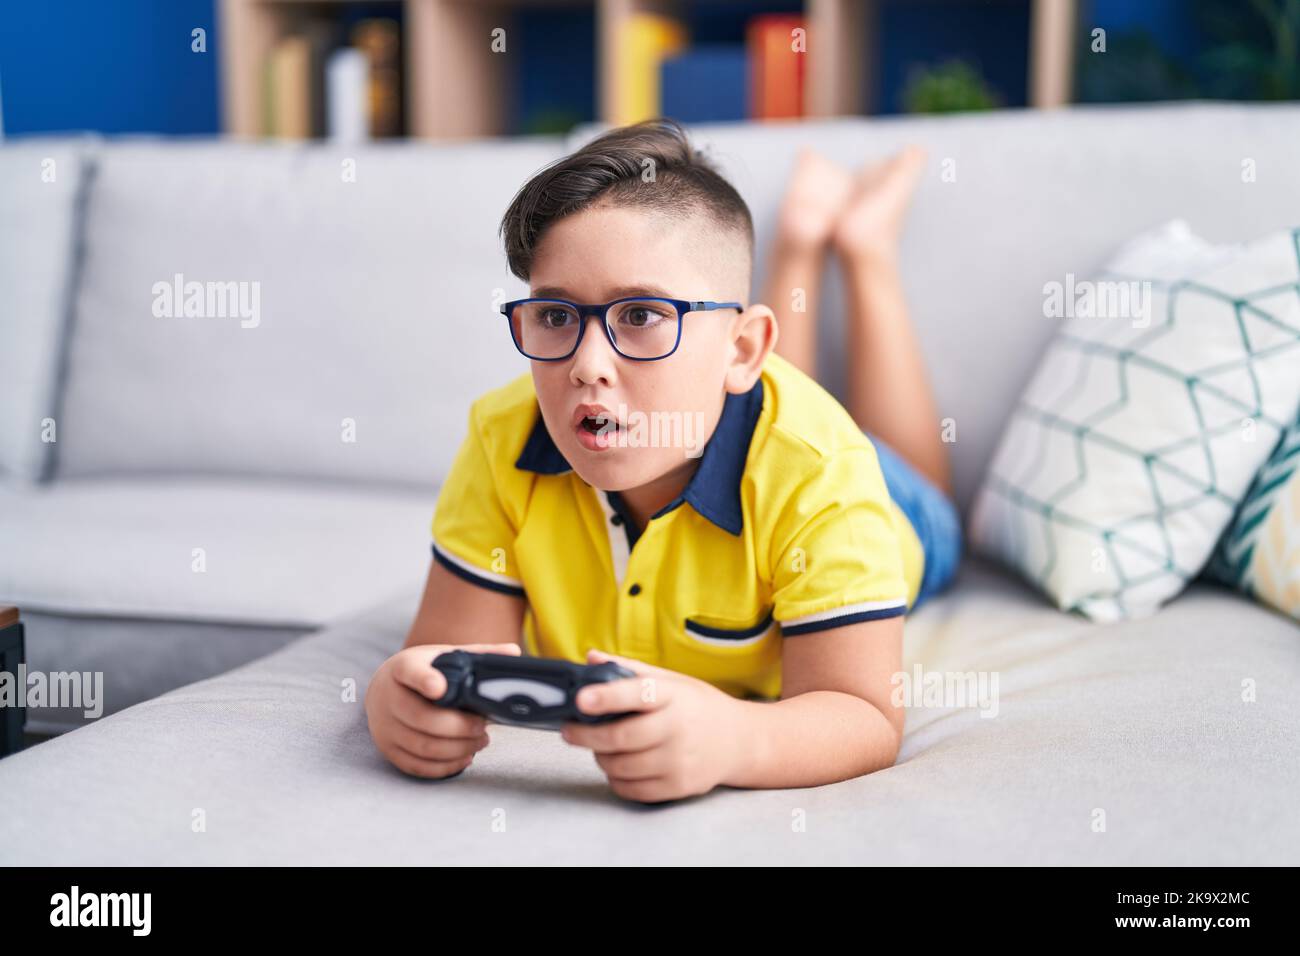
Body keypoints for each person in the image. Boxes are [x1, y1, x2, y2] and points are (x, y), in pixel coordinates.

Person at [365, 118, 962, 802]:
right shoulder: (504, 435)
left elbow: (862, 714)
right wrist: (401, 696)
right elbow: (445, 660)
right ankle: (799, 239)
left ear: (744, 349)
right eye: (556, 316)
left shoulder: (828, 472)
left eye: (641, 315)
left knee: (917, 479)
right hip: (742, 408)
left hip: (891, 501)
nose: (587, 367)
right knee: (747, 397)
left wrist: (735, 738)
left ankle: (861, 247)